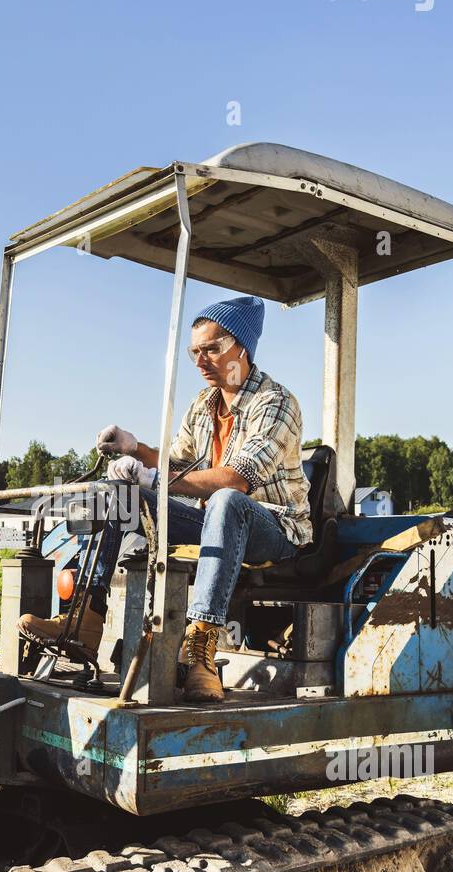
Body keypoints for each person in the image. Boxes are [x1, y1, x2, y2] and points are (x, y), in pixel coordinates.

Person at [19, 295, 312, 701]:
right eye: (195, 351)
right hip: (214, 522)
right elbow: (176, 463)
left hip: (273, 528)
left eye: (212, 348)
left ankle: (201, 651)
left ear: (241, 347)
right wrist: (134, 448)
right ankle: (87, 618)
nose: (200, 360)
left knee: (226, 500)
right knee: (116, 494)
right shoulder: (202, 406)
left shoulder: (276, 403)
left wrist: (156, 477)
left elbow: (235, 479)